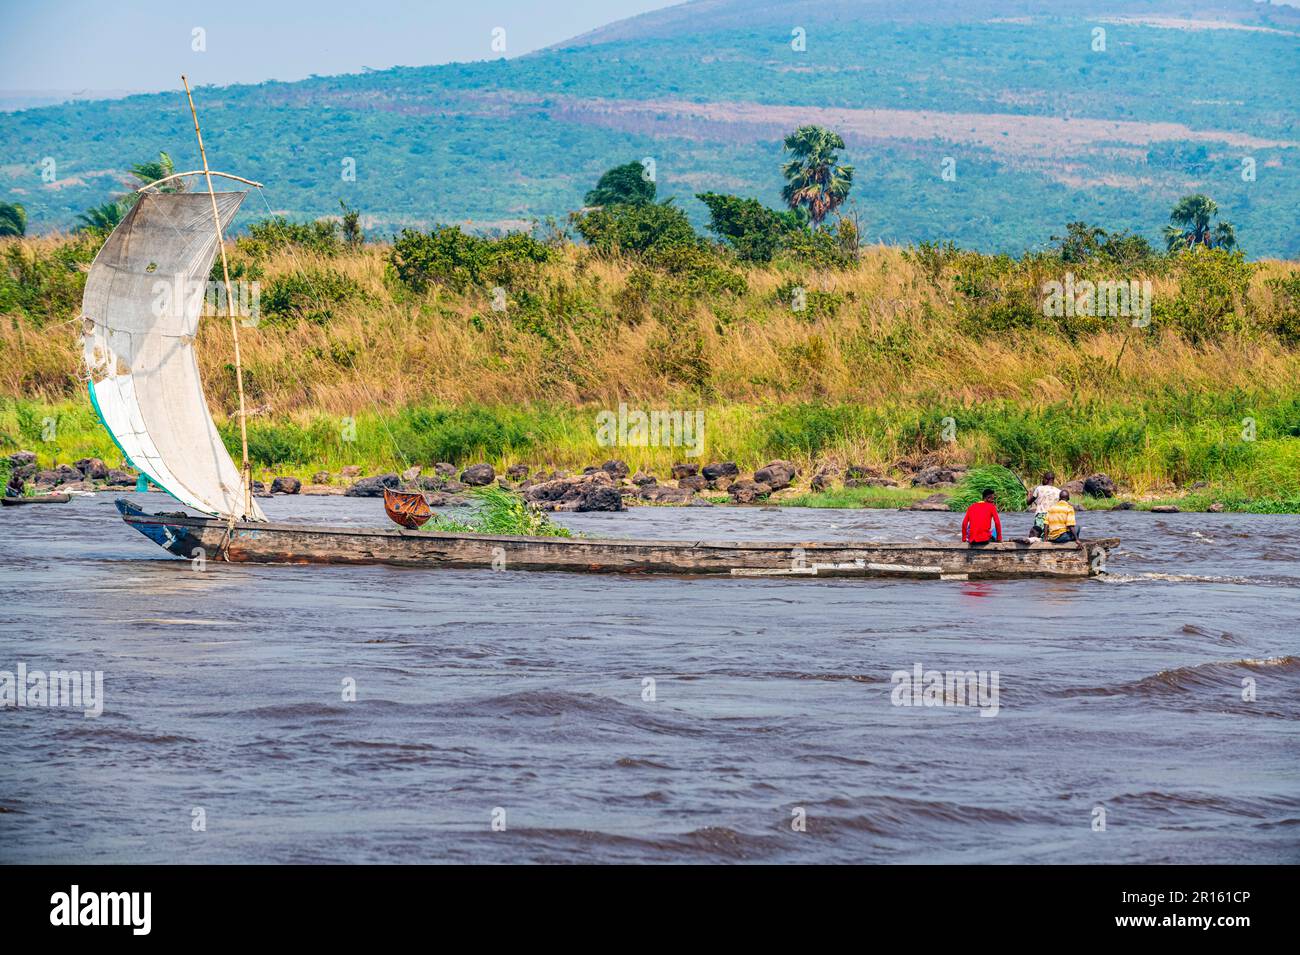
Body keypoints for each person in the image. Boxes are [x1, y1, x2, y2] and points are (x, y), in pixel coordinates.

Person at [1026, 471, 1060, 540]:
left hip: (1040, 516)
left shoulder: (1039, 488)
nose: (1042, 480)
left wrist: (1028, 495)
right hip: (1052, 516)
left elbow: (1029, 502)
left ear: (1046, 479)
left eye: (1043, 479)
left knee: (1037, 534)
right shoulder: (1059, 491)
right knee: (1047, 535)